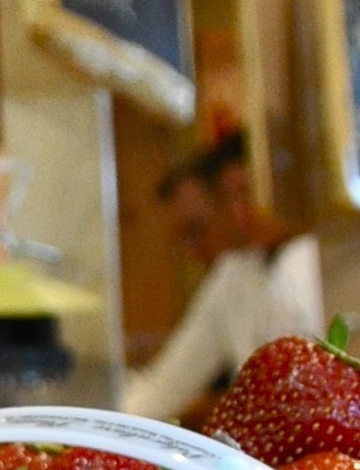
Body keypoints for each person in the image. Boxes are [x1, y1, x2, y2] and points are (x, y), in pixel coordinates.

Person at [123, 126, 325, 422]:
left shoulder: (326, 254)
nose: (241, 213)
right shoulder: (235, 273)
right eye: (234, 199)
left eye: (248, 193)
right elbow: (165, 388)